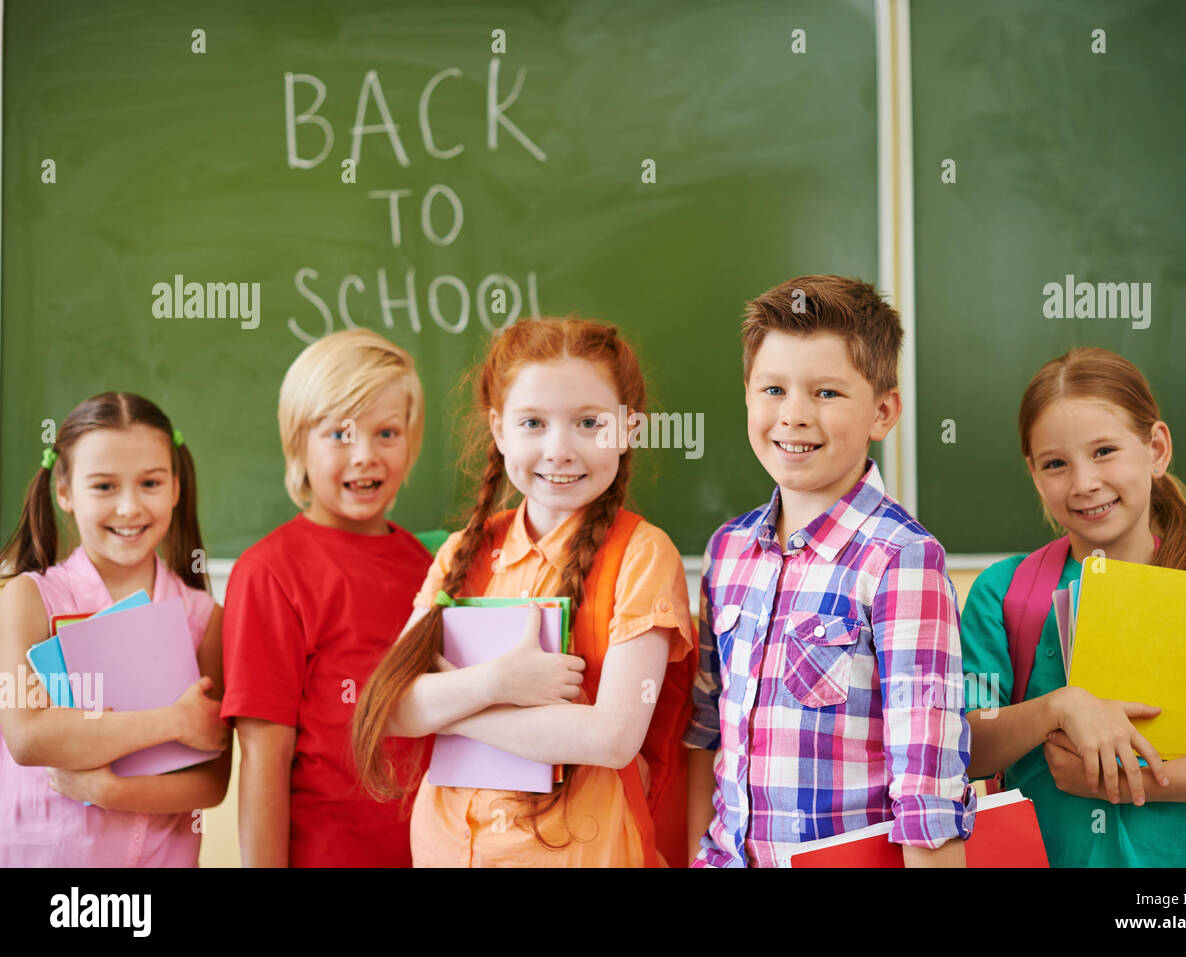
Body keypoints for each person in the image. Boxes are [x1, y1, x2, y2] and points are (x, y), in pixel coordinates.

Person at [353, 317, 696, 867]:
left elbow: (612, 738)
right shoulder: (464, 551)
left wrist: (451, 709)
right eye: (533, 422)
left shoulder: (641, 554)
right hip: (447, 847)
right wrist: (499, 681)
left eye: (589, 422)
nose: (559, 450)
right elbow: (390, 706)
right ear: (499, 429)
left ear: (628, 427)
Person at [961, 346, 1186, 866]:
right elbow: (960, 747)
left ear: (1156, 449)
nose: (1084, 483)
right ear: (1033, 473)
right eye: (1055, 464)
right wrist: (1056, 708)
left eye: (1104, 451)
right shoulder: (1004, 593)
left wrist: (1131, 784)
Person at [684, 275, 974, 867]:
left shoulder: (902, 560)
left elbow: (928, 793)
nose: (793, 415)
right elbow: (706, 729)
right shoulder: (728, 550)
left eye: (826, 393)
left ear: (883, 412)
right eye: (773, 389)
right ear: (747, 396)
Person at [221, 329, 432, 866]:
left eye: (387, 433)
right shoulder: (269, 573)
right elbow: (264, 760)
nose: (365, 456)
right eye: (340, 434)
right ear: (299, 445)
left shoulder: (428, 565)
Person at [0, 392, 230, 866]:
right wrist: (176, 722)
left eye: (150, 483)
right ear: (64, 492)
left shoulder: (205, 617)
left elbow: (212, 783)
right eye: (104, 486)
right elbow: (27, 737)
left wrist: (108, 790)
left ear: (176, 488)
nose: (129, 507)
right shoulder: (28, 598)